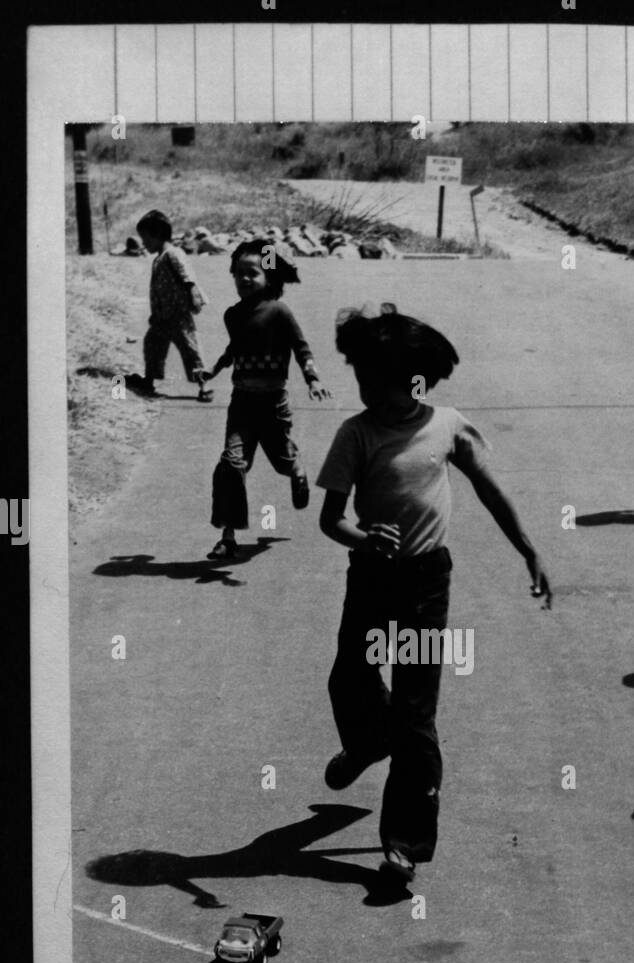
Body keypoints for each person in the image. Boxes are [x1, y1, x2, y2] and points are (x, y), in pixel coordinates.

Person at [316, 304, 552, 885]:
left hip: (426, 583)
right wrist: (363, 537)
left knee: (416, 714)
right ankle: (368, 741)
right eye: (362, 380)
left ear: (416, 381)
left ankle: (404, 844)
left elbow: (491, 491)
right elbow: (329, 519)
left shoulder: (446, 425)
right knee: (349, 678)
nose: (368, 392)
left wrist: (528, 549)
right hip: (371, 576)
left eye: (380, 382)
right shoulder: (356, 433)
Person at [204, 238, 330, 559]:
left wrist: (313, 378)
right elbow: (234, 349)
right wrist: (213, 371)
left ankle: (298, 470)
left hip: (273, 405)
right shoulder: (232, 315)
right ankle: (228, 537)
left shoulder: (279, 312)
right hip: (242, 403)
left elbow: (302, 349)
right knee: (231, 464)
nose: (245, 279)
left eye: (253, 273)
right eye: (238, 273)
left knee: (282, 462)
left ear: (269, 277)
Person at [127, 209, 213, 402]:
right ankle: (148, 380)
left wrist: (193, 293)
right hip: (161, 317)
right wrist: (155, 312)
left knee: (190, 350)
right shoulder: (159, 257)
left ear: (157, 235)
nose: (144, 243)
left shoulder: (173, 254)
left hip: (178, 316)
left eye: (146, 238)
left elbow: (186, 275)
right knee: (152, 346)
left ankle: (203, 385)